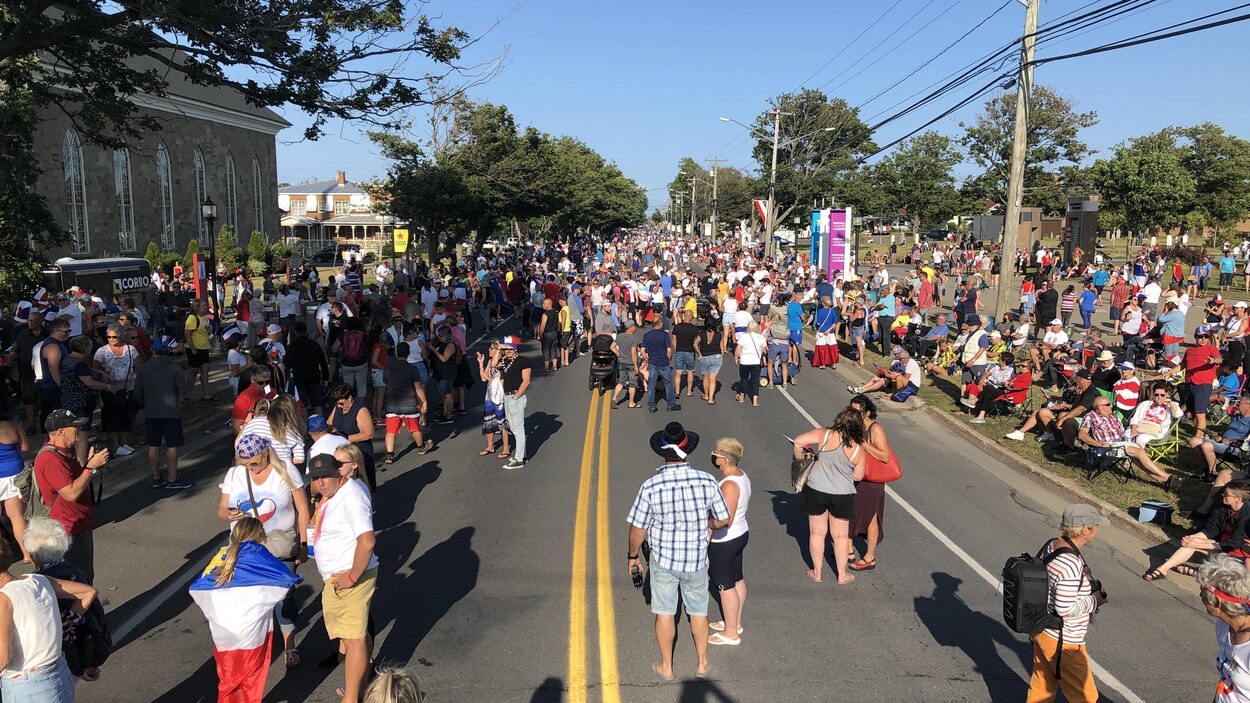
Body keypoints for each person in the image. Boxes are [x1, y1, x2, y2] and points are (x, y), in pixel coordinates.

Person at [625, 422, 730, 680]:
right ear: (687, 450)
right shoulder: (707, 480)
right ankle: (702, 663)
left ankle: (667, 666)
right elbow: (723, 519)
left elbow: (638, 529)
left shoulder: (650, 486)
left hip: (664, 561)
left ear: (663, 452)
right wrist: (708, 523)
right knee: (698, 612)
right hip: (696, 559)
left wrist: (632, 556)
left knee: (665, 613)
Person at [217, 433, 310, 669]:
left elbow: (302, 507)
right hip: (246, 548)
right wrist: (230, 514)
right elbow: (221, 510)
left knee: (283, 598)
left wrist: (303, 544)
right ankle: (256, 651)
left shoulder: (285, 469)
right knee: (251, 601)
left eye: (255, 463)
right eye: (246, 463)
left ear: (266, 454)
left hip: (280, 545)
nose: (251, 468)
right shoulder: (236, 474)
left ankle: (290, 645)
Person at [190, 516, 301, 703]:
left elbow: (198, 585)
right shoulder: (259, 552)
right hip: (251, 631)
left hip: (223, 631)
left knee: (228, 676)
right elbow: (286, 578)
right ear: (260, 534)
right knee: (250, 677)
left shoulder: (222, 554)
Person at [307, 454, 379, 703]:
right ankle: (364, 681)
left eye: (325, 475)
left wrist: (351, 577)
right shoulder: (336, 493)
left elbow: (367, 541)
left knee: (353, 639)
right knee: (356, 634)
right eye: (316, 478)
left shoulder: (352, 497)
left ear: (339, 472)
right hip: (339, 575)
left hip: (348, 576)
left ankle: (351, 698)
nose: (321, 482)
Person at [1026, 504, 1107, 703]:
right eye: (1096, 525)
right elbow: (1065, 608)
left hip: (1042, 630)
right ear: (1086, 529)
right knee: (1086, 697)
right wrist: (1094, 601)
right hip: (1064, 640)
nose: (1098, 529)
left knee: (1042, 690)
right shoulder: (1070, 563)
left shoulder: (1053, 545)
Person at [0, 536, 98, 701]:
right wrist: (68, 621)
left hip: (28, 686)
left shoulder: (3, 600)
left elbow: (3, 659)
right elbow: (88, 592)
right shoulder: (38, 580)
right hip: (59, 673)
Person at [791, 408, 867, 584]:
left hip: (817, 488)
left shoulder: (824, 434)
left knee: (817, 533)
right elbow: (858, 476)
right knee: (840, 536)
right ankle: (842, 575)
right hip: (842, 493)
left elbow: (798, 441)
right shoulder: (858, 449)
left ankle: (817, 572)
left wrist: (800, 458)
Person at [34, 410, 108, 584]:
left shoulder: (63, 452)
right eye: (74, 426)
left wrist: (88, 465)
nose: (78, 429)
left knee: (84, 575)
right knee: (78, 580)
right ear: (60, 432)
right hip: (68, 530)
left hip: (77, 523)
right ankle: (83, 611)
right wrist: (90, 468)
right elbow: (71, 493)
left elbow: (73, 482)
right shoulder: (51, 459)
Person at [1144, 481, 1250, 583]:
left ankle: (1199, 573)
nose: (1223, 495)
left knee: (1196, 545)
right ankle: (1162, 569)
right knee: (1191, 542)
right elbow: (1210, 530)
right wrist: (1192, 538)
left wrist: (1198, 543)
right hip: (1221, 547)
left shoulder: (1246, 517)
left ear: (1238, 499)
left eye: (1227, 494)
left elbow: (1232, 544)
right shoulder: (1222, 506)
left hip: (1236, 554)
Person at [707, 437, 750, 647]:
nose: (713, 456)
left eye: (715, 454)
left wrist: (707, 524)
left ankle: (731, 632)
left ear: (723, 460)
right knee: (737, 579)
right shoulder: (741, 476)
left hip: (726, 540)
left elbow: (725, 520)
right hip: (740, 534)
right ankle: (735, 622)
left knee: (725, 586)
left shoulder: (729, 485)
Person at [133, 335, 191, 489]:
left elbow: (137, 392)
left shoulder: (144, 369)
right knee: (172, 445)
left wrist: (146, 402)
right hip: (171, 412)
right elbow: (184, 389)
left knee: (153, 445)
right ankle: (172, 478)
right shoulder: (174, 368)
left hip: (151, 411)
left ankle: (156, 477)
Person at [1077, 394, 1174, 486]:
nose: (1111, 406)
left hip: (1121, 444)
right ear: (1099, 407)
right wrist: (1099, 444)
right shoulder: (1091, 416)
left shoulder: (1114, 416)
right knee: (1139, 452)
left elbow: (1122, 433)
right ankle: (1167, 477)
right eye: (1108, 404)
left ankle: (1162, 481)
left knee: (1136, 454)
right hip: (1107, 448)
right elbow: (1082, 435)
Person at [1195, 553, 1250, 702]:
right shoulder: (1223, 625)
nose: (1200, 595)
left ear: (1217, 602)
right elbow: (1225, 680)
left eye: (1202, 591)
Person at [848, 394, 888, 570]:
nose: (853, 414)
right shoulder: (852, 426)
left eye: (857, 411)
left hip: (871, 481)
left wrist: (864, 444)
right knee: (849, 513)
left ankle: (869, 556)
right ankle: (848, 550)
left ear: (867, 412)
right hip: (855, 476)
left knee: (871, 518)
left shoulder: (875, 429)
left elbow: (884, 456)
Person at [382, 341, 434, 464]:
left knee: (390, 431)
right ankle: (421, 447)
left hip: (392, 404)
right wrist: (424, 402)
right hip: (409, 404)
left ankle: (390, 455)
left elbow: (386, 384)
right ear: (408, 353)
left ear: (396, 352)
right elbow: (418, 387)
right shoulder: (413, 369)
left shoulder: (388, 368)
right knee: (415, 429)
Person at [1167, 326, 1225, 433]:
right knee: (1193, 411)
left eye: (1206, 336)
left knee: (1200, 413)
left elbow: (1219, 359)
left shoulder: (1212, 349)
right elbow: (1183, 364)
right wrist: (1170, 372)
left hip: (1203, 385)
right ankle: (1197, 432)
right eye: (1200, 337)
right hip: (1189, 384)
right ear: (1195, 337)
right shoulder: (1189, 350)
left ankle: (1199, 437)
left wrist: (1213, 360)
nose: (1203, 339)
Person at [328, 383, 377, 491]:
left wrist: (346, 438)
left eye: (341, 403)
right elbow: (329, 423)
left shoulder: (361, 410)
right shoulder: (338, 407)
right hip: (343, 452)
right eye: (337, 404)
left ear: (349, 397)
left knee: (362, 483)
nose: (339, 406)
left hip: (360, 452)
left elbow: (368, 433)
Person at [0, 416, 31, 563]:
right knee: (17, 517)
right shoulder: (12, 425)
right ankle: (26, 554)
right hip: (13, 475)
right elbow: (26, 448)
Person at [498, 336, 531, 470]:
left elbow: (526, 380)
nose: (508, 351)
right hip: (507, 397)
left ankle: (519, 459)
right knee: (513, 427)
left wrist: (516, 397)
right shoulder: (505, 361)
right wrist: (500, 348)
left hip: (515, 396)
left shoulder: (523, 360)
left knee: (518, 428)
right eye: (506, 349)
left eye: (510, 348)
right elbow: (494, 364)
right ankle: (522, 455)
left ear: (515, 349)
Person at [476, 342, 510, 459]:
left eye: (491, 348)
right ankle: (490, 446)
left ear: (497, 351)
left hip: (499, 397)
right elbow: (483, 378)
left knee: (502, 423)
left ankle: (506, 448)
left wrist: (487, 375)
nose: (489, 350)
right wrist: (481, 364)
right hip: (489, 396)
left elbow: (493, 380)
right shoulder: (490, 362)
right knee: (488, 421)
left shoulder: (502, 365)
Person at [641, 317, 679, 413]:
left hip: (652, 363)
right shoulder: (665, 335)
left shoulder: (647, 335)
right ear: (659, 324)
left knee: (651, 385)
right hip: (663, 363)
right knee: (668, 384)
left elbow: (642, 350)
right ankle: (671, 404)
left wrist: (646, 358)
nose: (662, 324)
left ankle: (652, 406)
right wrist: (669, 359)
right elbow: (669, 350)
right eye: (661, 322)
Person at [184, 299, 216, 402]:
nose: (206, 307)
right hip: (195, 349)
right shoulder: (192, 318)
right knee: (193, 373)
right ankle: (187, 395)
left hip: (204, 348)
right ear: (197, 307)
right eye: (203, 305)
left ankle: (207, 394)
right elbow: (187, 334)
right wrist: (193, 349)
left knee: (205, 371)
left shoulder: (203, 318)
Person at [734, 320, 766, 408]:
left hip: (744, 361)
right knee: (755, 381)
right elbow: (763, 349)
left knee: (744, 379)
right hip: (755, 361)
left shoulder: (744, 337)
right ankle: (755, 401)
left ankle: (741, 396)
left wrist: (736, 357)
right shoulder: (761, 337)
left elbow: (738, 348)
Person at [671, 309, 699, 398]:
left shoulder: (677, 327)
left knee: (678, 372)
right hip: (690, 352)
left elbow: (674, 340)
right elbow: (697, 340)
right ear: (690, 317)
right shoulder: (694, 328)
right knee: (690, 372)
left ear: (684, 316)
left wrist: (676, 349)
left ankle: (677, 391)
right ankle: (689, 391)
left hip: (679, 351)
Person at [696, 321, 723, 405]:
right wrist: (721, 355)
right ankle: (711, 399)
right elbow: (722, 347)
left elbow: (695, 344)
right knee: (713, 379)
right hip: (716, 356)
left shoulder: (701, 334)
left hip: (704, 356)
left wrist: (699, 354)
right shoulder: (718, 334)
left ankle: (706, 395)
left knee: (705, 377)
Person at [811, 296, 839, 369]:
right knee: (832, 347)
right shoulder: (832, 311)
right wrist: (829, 330)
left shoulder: (820, 311)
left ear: (823, 303)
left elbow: (818, 322)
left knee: (821, 347)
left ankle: (822, 363)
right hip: (830, 332)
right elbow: (835, 322)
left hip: (821, 331)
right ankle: (833, 363)